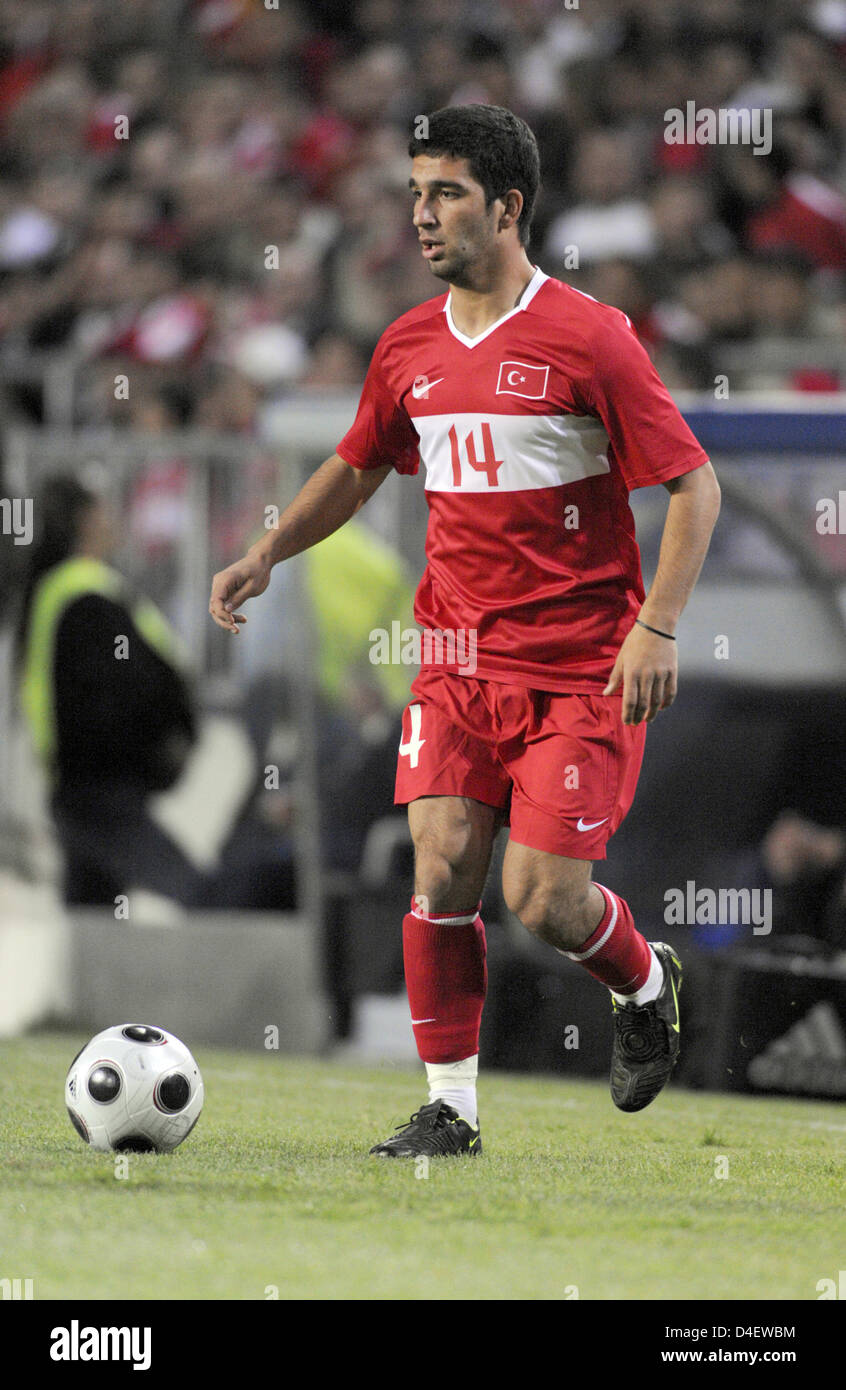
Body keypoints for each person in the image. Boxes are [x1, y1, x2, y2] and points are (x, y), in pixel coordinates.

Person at [210, 105, 721, 1158]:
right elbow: (356, 466)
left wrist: (658, 624)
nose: (422, 215)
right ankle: (453, 1108)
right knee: (438, 865)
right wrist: (269, 550)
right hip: (451, 658)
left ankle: (645, 976)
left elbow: (693, 483)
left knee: (542, 898)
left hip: (580, 666)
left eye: (445, 193)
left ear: (508, 205)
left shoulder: (590, 336)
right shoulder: (406, 345)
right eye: (414, 192)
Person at [16, 475, 200, 907]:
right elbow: (123, 691)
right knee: (198, 897)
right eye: (103, 509)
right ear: (86, 520)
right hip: (101, 788)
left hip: (76, 782)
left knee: (93, 909)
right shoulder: (88, 597)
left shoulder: (57, 590)